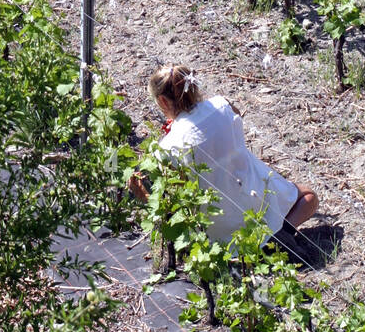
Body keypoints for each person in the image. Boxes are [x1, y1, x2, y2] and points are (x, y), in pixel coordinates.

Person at [134, 64, 318, 247]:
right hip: (254, 195)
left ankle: (256, 246)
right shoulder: (222, 105)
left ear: (163, 102)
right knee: (309, 197)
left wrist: (139, 193)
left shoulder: (167, 146)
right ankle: (281, 234)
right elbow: (235, 120)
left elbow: (170, 200)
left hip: (217, 231)